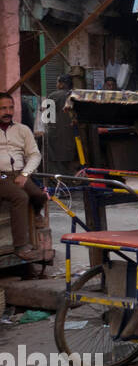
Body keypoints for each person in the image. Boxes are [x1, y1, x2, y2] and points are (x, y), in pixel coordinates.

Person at [0, 91, 47, 261]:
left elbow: (35, 154)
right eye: (3, 108)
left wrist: (25, 174)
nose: (8, 112)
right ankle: (20, 246)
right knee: (20, 197)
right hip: (1, 177)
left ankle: (36, 212)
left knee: (39, 195)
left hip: (19, 173)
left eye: (11, 108)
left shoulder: (22, 130)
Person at [44, 75, 79, 177]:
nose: (56, 85)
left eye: (57, 82)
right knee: (69, 161)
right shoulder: (76, 95)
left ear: (61, 84)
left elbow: (46, 117)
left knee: (56, 163)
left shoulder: (53, 95)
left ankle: (59, 184)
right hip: (73, 134)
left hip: (57, 135)